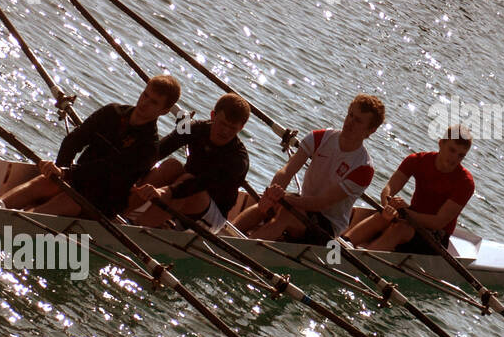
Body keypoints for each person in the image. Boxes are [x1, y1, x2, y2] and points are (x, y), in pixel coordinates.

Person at [0, 74, 181, 218]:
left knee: (65, 200)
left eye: (154, 102)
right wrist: (60, 170)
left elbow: (105, 171)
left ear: (164, 111)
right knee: (43, 182)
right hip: (76, 178)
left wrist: (67, 174)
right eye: (145, 95)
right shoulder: (112, 112)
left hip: (103, 199)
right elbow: (74, 141)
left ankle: (20, 219)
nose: (144, 103)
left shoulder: (148, 147)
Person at [230, 93, 383, 243]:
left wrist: (283, 198)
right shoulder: (320, 137)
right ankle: (226, 235)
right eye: (350, 115)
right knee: (266, 203)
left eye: (358, 121)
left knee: (287, 213)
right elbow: (287, 171)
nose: (350, 122)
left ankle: (243, 247)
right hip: (303, 206)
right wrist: (273, 192)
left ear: (371, 130)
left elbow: (321, 203)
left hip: (327, 226)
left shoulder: (364, 169)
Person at [128, 92, 251, 230]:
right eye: (222, 123)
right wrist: (128, 170)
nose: (225, 132)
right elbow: (158, 151)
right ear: (212, 115)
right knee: (171, 165)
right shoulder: (194, 127)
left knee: (186, 180)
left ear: (241, 128)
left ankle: (137, 227)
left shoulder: (238, 160)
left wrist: (164, 192)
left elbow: (196, 184)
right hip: (183, 189)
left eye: (232, 128)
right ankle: (121, 211)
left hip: (210, 213)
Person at [343, 125, 474, 252]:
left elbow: (437, 222)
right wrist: (387, 206)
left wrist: (405, 212)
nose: (454, 158)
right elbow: (389, 188)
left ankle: (364, 256)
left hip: (435, 236)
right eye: (452, 150)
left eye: (461, 155)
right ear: (441, 144)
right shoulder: (417, 160)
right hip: (411, 220)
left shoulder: (465, 183)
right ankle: (343, 244)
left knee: (399, 228)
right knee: (382, 216)